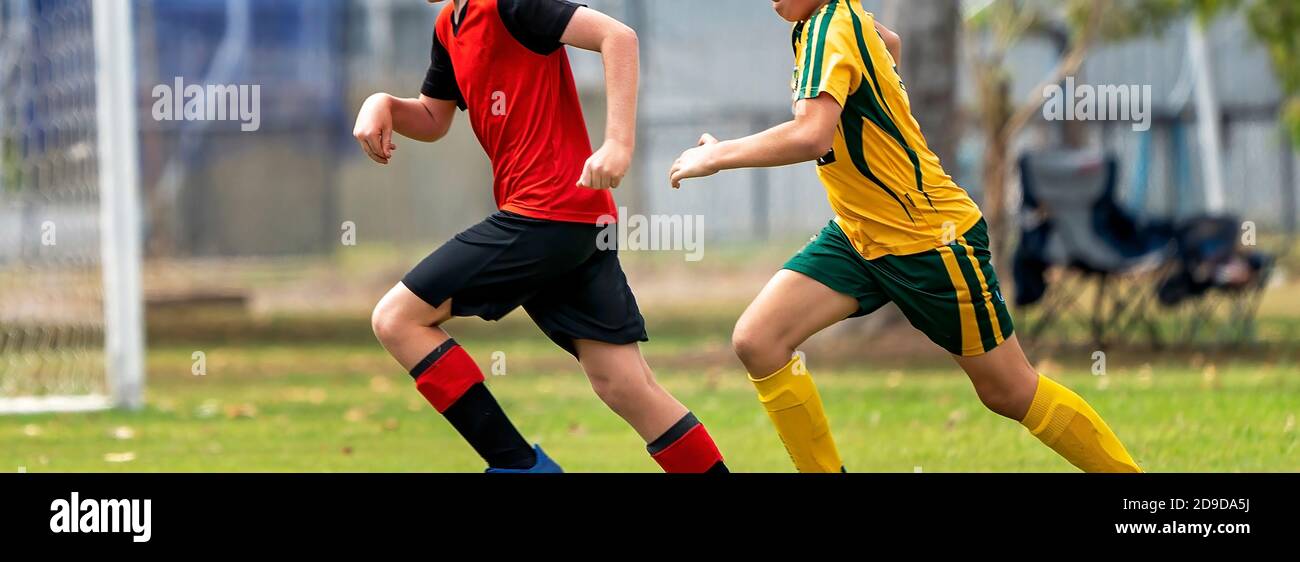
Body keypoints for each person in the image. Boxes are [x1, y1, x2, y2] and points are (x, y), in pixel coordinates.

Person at [668, 0, 1140, 473]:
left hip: (930, 242)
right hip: (859, 236)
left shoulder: (831, 26)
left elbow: (812, 134)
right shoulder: (826, 23)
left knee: (1010, 390)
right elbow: (889, 43)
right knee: (758, 339)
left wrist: (720, 155)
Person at [355, 0, 727, 473]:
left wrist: (617, 144)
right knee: (625, 385)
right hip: (576, 220)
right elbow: (433, 117)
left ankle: (523, 467)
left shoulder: (512, 4)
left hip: (548, 214)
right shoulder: (448, 23)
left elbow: (619, 38)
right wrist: (381, 103)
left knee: (397, 320)